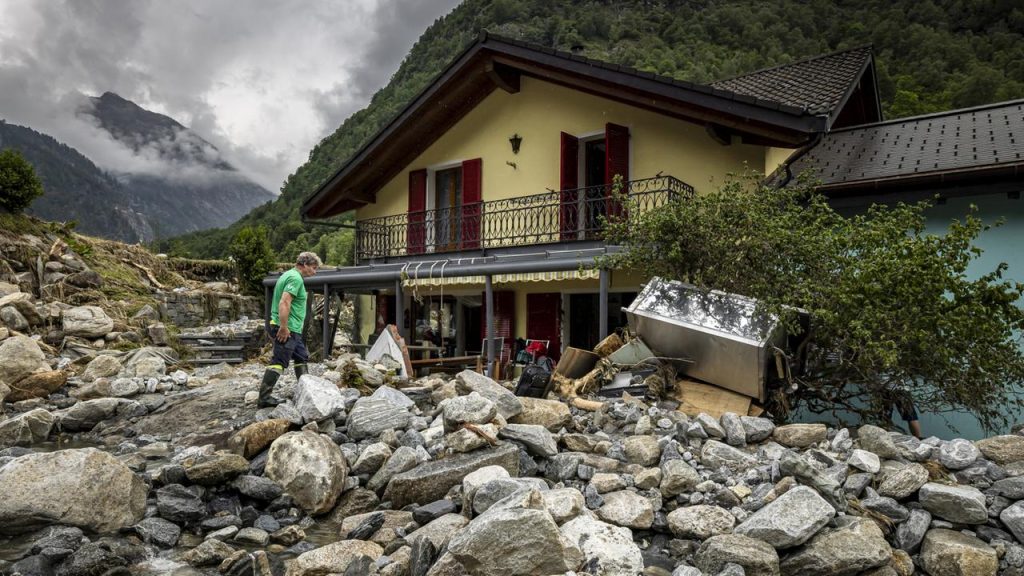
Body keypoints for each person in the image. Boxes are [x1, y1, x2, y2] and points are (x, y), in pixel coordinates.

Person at [258, 251, 322, 408]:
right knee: (279, 361)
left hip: (292, 329)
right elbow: (284, 302)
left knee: (301, 356)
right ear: (304, 264)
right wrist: (284, 327)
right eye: (314, 268)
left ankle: (307, 391)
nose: (315, 272)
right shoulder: (295, 278)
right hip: (288, 328)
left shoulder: (287, 275)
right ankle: (264, 398)